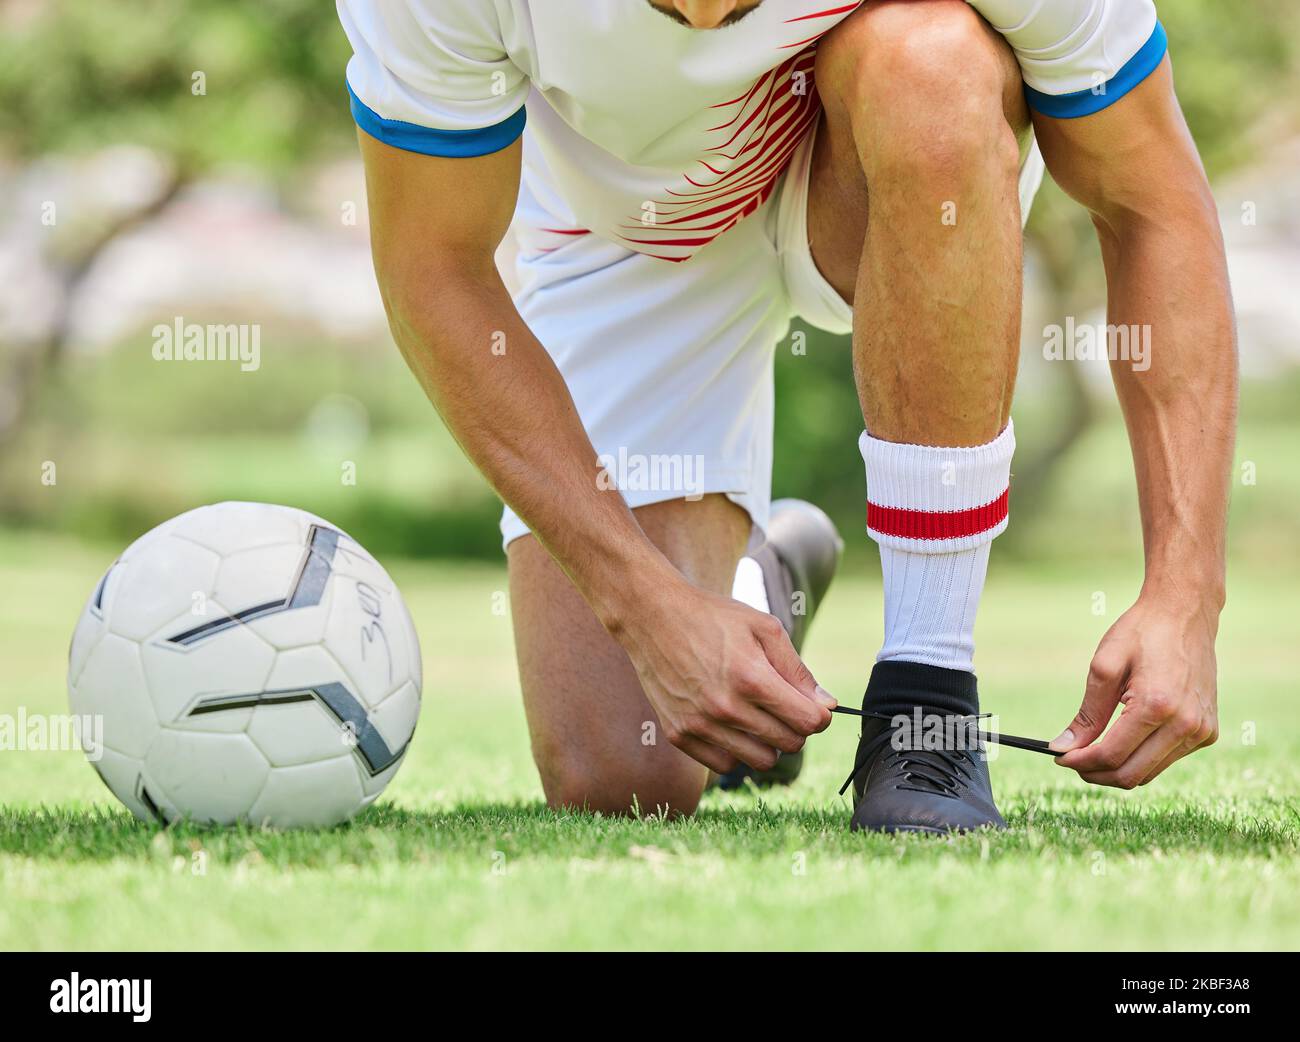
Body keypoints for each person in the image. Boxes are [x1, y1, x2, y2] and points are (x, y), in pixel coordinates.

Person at [338, 0, 1236, 832]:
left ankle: (927, 699)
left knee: (932, 60)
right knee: (621, 780)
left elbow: (1149, 198)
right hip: (629, 237)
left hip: (875, 174)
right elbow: (436, 269)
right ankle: (754, 590)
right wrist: (649, 611)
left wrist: (1185, 597)